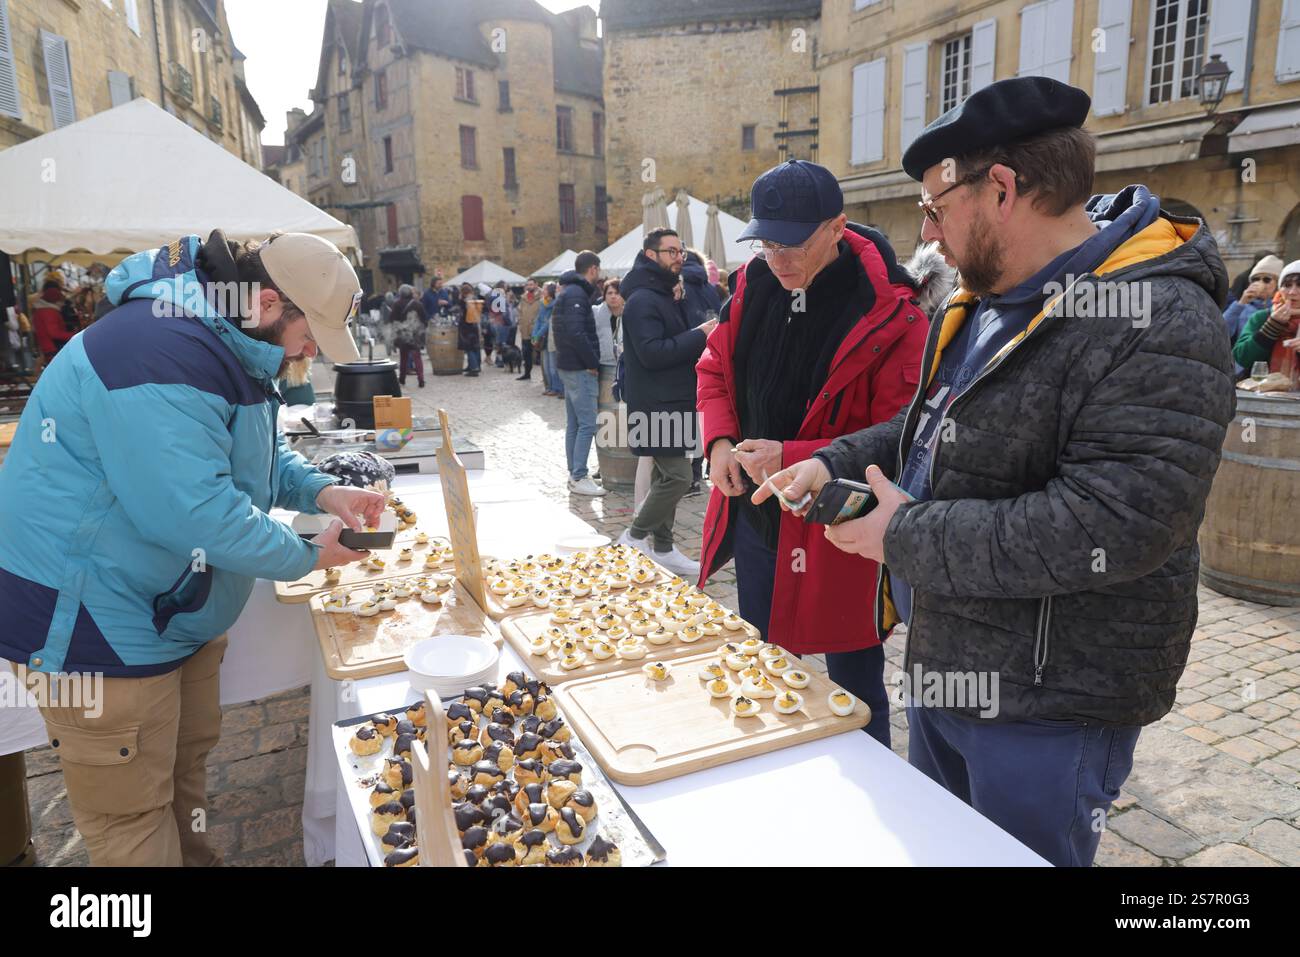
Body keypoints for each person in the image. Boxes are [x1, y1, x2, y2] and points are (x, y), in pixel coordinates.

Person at [758, 76, 1236, 867]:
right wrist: (831, 460)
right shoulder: (983, 297)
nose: (927, 230)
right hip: (950, 660)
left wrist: (902, 534)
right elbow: (926, 432)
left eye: (936, 207)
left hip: (1052, 701)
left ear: (1003, 190)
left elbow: (1114, 523)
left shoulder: (1156, 315)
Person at [0, 230, 384, 866]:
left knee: (181, 776)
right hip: (94, 620)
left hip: (162, 608)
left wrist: (320, 493)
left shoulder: (231, 339)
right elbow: (196, 511)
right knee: (130, 819)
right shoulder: (157, 348)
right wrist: (309, 555)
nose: (311, 350)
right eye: (310, 331)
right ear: (267, 302)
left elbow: (249, 457)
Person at [696, 160, 943, 748]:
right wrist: (722, 441)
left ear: (836, 227)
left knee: (854, 688)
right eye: (767, 243)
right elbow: (712, 371)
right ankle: (776, 772)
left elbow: (904, 431)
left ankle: (870, 792)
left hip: (839, 532)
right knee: (764, 664)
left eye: (793, 244)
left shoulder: (891, 313)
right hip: (759, 520)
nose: (777, 259)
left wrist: (797, 454)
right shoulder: (752, 287)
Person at [614, 229, 717, 576]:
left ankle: (662, 546)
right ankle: (635, 535)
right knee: (676, 477)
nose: (678, 257)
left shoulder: (664, 294)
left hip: (673, 399)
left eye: (681, 251)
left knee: (665, 474)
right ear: (650, 255)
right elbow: (652, 353)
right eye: (670, 251)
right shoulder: (643, 300)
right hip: (656, 403)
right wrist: (699, 335)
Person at [552, 251, 605, 495]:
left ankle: (574, 473)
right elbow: (576, 333)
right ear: (592, 269)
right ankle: (579, 475)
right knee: (586, 424)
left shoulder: (568, 292)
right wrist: (592, 362)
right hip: (579, 367)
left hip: (568, 365)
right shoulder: (576, 294)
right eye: (599, 271)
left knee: (574, 423)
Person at [1232, 259, 1300, 377]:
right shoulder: (1262, 316)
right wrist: (1272, 325)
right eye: (1287, 285)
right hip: (1262, 391)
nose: (1292, 292)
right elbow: (1241, 357)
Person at [391, 283, 429, 388]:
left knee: (403, 358)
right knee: (417, 357)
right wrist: (420, 331)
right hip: (415, 335)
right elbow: (424, 320)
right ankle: (421, 379)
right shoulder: (417, 304)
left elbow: (393, 320)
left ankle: (402, 379)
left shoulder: (397, 304)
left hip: (402, 334)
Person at [30, 279, 76, 363]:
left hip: (46, 347)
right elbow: (54, 333)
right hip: (52, 348)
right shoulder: (49, 312)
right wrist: (73, 335)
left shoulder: (40, 309)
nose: (62, 304)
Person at [593, 276, 623, 368]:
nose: (613, 296)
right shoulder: (595, 312)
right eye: (610, 293)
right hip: (603, 364)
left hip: (625, 364)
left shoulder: (630, 313)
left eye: (617, 293)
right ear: (604, 296)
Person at [516, 279, 541, 381]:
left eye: (531, 284)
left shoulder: (542, 296)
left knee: (540, 353)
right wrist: (521, 323)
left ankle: (545, 378)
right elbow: (520, 311)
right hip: (525, 330)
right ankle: (527, 373)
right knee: (526, 353)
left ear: (536, 285)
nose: (529, 286)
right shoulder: (523, 298)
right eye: (528, 285)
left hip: (537, 331)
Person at [457, 282, 482, 376]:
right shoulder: (475, 299)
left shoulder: (464, 301)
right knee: (475, 347)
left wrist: (460, 299)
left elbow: (462, 312)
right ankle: (476, 366)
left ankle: (474, 368)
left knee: (469, 348)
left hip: (466, 326)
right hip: (474, 325)